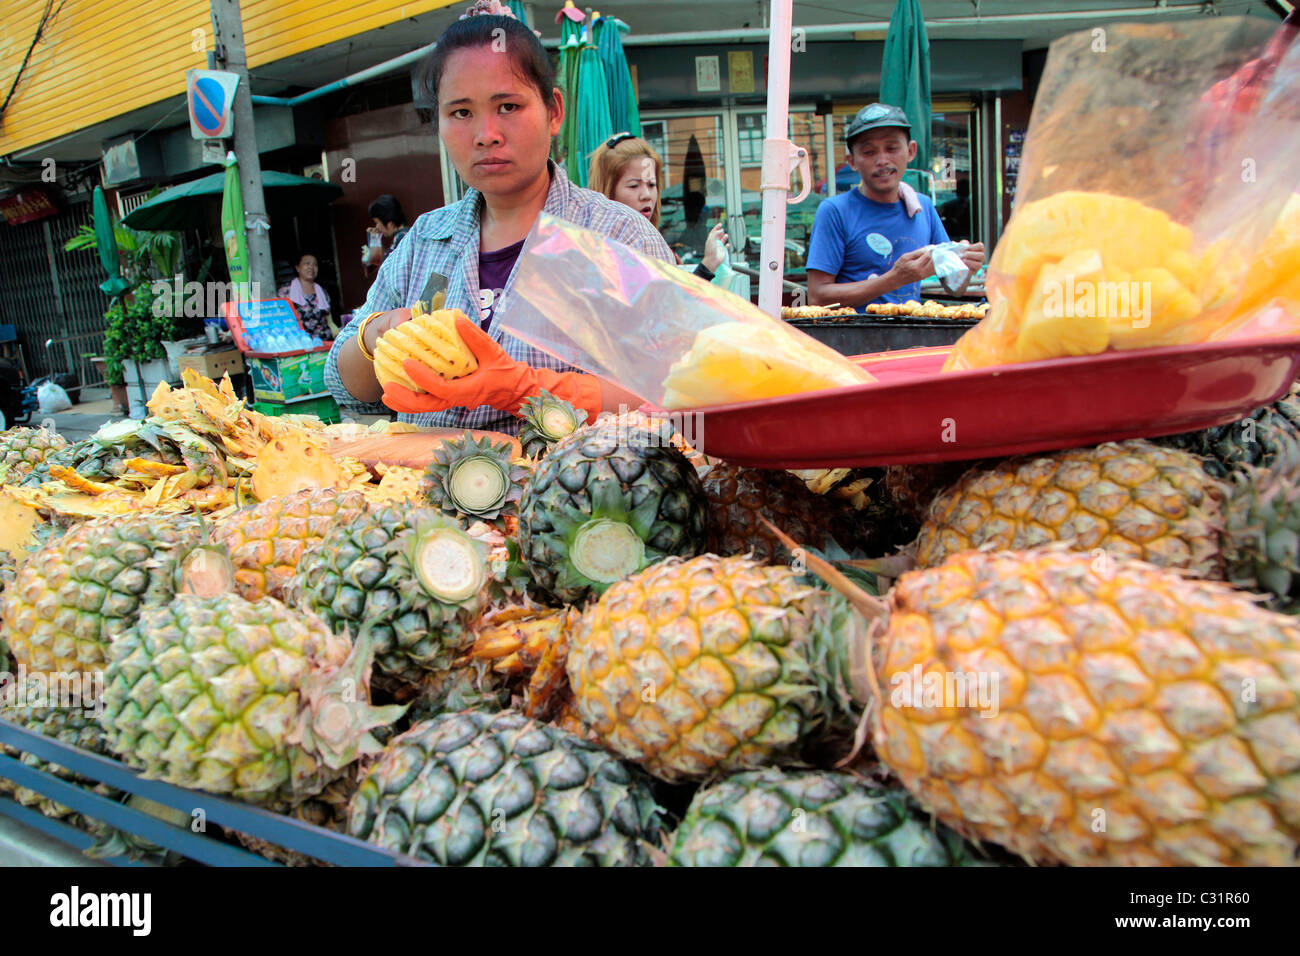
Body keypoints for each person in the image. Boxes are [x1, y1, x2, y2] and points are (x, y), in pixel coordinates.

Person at [327, 1, 672, 434]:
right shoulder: (424, 241)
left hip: (572, 493)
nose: (485, 133)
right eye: (461, 112)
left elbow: (676, 389)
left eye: (507, 106)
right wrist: (378, 332)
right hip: (422, 491)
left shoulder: (617, 236)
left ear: (554, 112)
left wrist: (523, 389)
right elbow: (346, 386)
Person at [806, 103, 985, 310]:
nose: (882, 160)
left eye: (892, 148)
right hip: (850, 338)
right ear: (852, 161)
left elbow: (954, 288)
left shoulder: (923, 207)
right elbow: (817, 297)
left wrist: (966, 268)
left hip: (912, 337)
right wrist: (894, 279)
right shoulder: (835, 211)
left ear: (911, 151)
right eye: (868, 152)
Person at [587, 132, 731, 280]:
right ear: (608, 190)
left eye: (651, 185)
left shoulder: (651, 245)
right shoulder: (603, 253)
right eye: (634, 186)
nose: (646, 195)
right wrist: (706, 267)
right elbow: (671, 301)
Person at [278, 251, 336, 340]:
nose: (311, 267)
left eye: (315, 265)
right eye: (307, 263)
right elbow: (281, 319)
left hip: (325, 342)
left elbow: (329, 319)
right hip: (300, 343)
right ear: (298, 268)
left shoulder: (322, 292)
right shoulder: (285, 292)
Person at [363, 195, 410, 275]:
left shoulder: (402, 238)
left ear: (390, 224)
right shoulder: (407, 234)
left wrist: (375, 242)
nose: (377, 227)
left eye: (377, 222)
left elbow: (382, 267)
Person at [938, 178, 972, 242]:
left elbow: (938, 215)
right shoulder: (974, 206)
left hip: (954, 238)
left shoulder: (949, 205)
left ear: (957, 191)